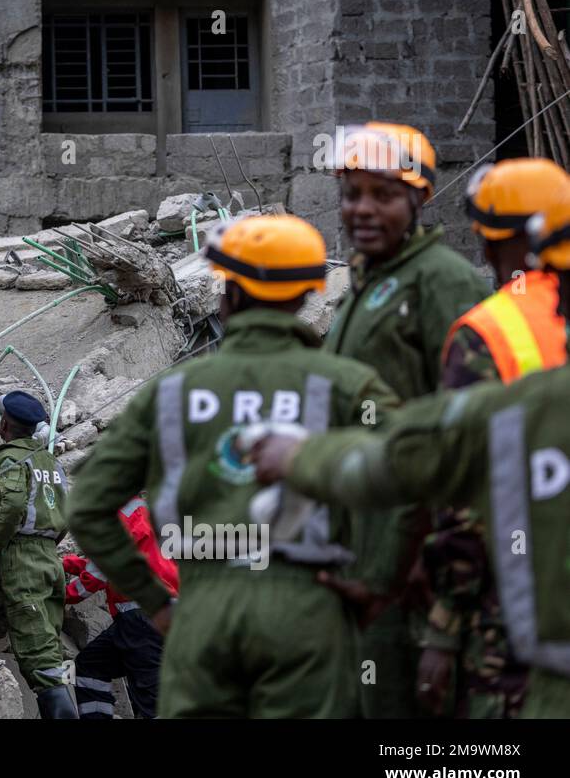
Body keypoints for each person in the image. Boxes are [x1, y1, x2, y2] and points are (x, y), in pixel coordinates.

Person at [250, 193, 570, 718]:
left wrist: (297, 457)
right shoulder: (373, 292)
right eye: (351, 192)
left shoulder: (507, 381)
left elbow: (402, 458)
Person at [67, 215, 399, 717]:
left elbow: (90, 505)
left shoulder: (173, 394)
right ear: (307, 295)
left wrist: (154, 605)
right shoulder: (352, 387)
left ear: (227, 298)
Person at [322, 122, 491, 719]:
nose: (362, 209)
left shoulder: (443, 282)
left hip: (413, 546)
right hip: (360, 540)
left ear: (418, 200)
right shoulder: (363, 287)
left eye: (383, 195)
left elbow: (468, 430)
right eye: (351, 193)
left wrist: (429, 553)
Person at [417, 158, 570, 718]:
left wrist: (444, 627)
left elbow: (463, 495)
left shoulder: (487, 332)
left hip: (514, 604)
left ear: (485, 238)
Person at [0, 390, 77, 719]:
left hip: (24, 558)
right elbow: (66, 509)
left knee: (37, 651)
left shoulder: (10, 457)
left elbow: (14, 502)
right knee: (51, 645)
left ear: (4, 423)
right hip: (50, 557)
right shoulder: (50, 460)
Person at [63, 493, 179, 719]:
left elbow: (101, 569)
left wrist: (64, 594)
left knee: (152, 698)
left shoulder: (119, 513)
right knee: (90, 666)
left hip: (143, 619)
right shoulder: (146, 513)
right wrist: (66, 564)